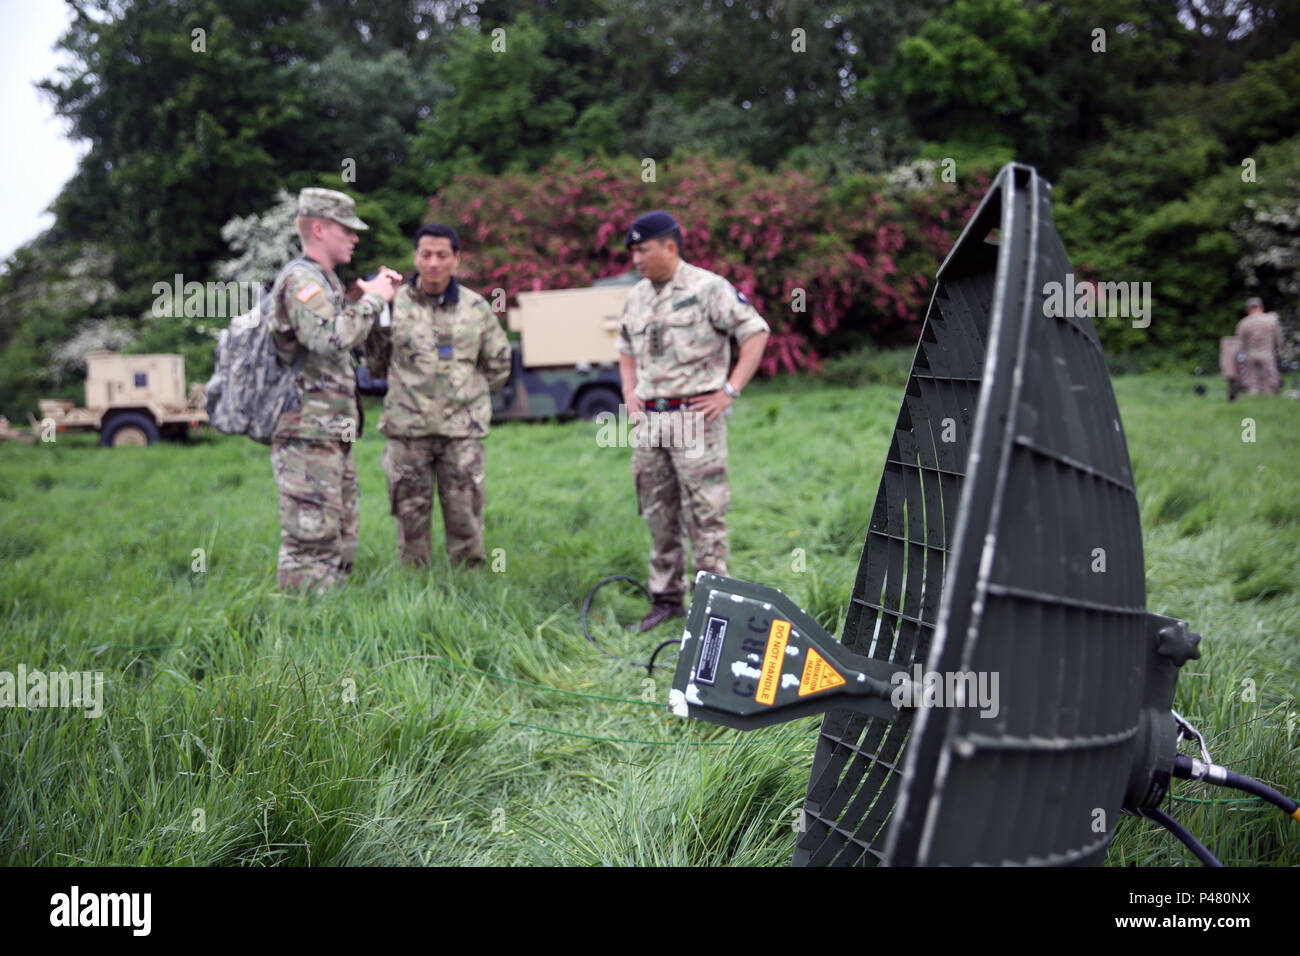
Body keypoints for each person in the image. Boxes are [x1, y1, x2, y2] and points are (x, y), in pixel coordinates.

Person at [617, 211, 770, 632]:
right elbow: (625, 347)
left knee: (706, 511)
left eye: (643, 250)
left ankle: (713, 603)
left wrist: (730, 390)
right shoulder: (636, 296)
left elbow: (755, 332)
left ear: (670, 246)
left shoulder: (709, 288)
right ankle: (666, 600)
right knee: (657, 511)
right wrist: (629, 393)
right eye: (632, 252)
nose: (636, 260)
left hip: (695, 418)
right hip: (651, 421)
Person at [270, 187, 401, 592]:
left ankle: (331, 620)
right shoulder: (300, 281)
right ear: (319, 228)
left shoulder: (325, 283)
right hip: (307, 434)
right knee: (310, 539)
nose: (355, 237)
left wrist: (359, 301)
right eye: (347, 229)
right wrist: (373, 301)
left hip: (329, 434)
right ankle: (298, 628)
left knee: (340, 535)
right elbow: (328, 338)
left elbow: (349, 341)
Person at [365, 223, 512, 568]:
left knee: (466, 520)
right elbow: (374, 364)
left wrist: (467, 397)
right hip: (408, 431)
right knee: (410, 522)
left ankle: (470, 590)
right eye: (426, 254)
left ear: (456, 260)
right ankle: (416, 596)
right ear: (415, 257)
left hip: (460, 434)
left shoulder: (476, 308)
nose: (433, 263)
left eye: (442, 255)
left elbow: (499, 363)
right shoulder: (394, 306)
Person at [1235, 297, 1284, 396]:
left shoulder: (1243, 323)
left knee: (1252, 384)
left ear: (1248, 310)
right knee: (1270, 384)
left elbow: (1239, 343)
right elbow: (1278, 339)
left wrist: (1239, 358)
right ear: (1262, 307)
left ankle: (1253, 397)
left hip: (1250, 356)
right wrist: (1279, 352)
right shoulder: (1271, 320)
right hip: (1267, 355)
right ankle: (1268, 397)